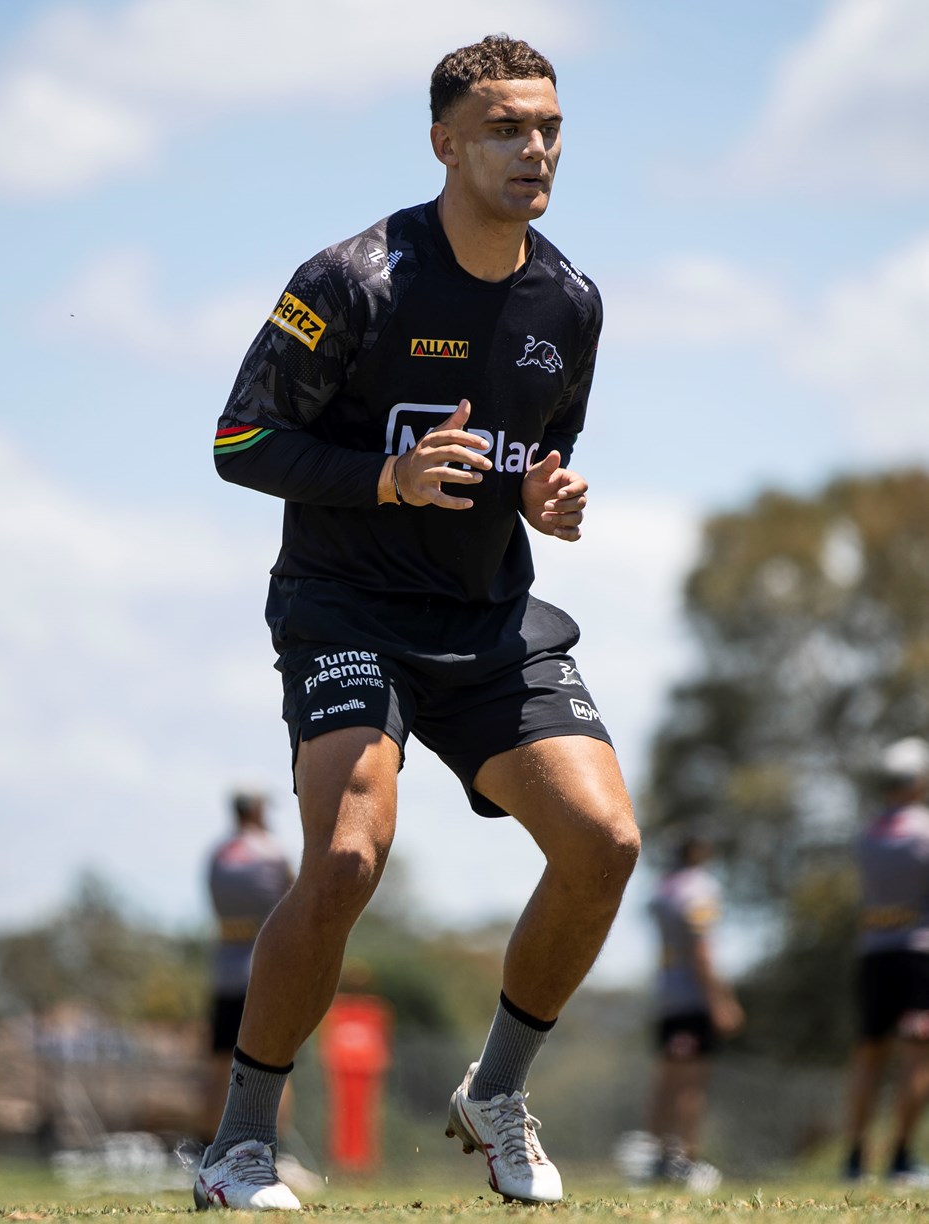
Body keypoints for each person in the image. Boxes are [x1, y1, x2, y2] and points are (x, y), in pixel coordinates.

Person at [195, 34, 640, 1211]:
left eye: (546, 126)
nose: (532, 147)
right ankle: (240, 1143)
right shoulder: (352, 279)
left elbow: (540, 454)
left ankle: (495, 1093)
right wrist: (382, 480)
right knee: (345, 857)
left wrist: (545, 493)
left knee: (604, 844)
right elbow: (239, 443)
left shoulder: (570, 301)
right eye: (504, 127)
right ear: (445, 141)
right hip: (346, 607)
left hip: (489, 617)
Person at [615, 831, 743, 1192]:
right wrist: (721, 1000)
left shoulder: (662, 889)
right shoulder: (699, 889)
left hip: (666, 996)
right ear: (699, 851)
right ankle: (685, 1160)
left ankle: (655, 1157)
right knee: (691, 1083)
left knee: (665, 1080)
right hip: (692, 998)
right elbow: (701, 951)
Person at [844, 736, 929, 1184]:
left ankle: (854, 1160)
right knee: (917, 1056)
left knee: (869, 1056)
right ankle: (900, 1159)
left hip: (874, 955)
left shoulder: (868, 833)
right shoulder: (924, 830)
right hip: (917, 956)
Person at [202, 792, 295, 1144]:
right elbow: (293, 901)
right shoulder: (274, 851)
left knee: (217, 1064)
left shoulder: (217, 854)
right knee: (275, 1063)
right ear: (257, 810)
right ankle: (276, 1148)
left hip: (224, 971)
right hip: (264, 970)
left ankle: (207, 1148)